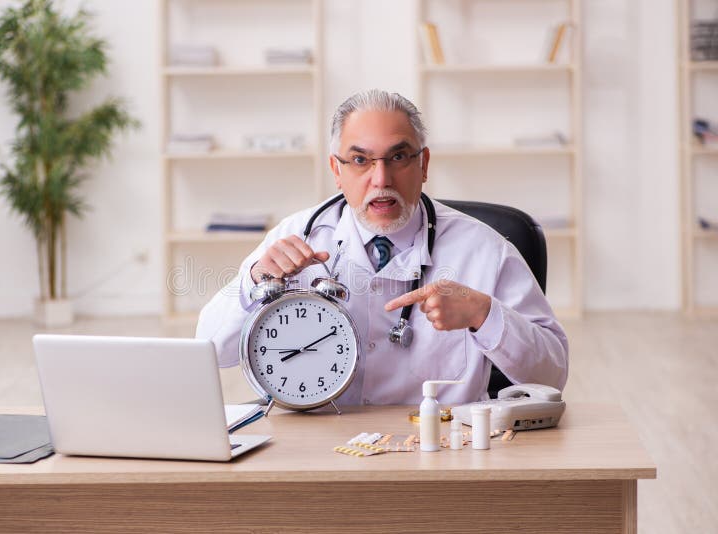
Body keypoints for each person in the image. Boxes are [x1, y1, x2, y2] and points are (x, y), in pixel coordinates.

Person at [196, 89, 568, 405]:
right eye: (360, 160)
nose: (381, 178)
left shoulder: (485, 250)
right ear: (336, 170)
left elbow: (552, 375)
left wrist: (484, 314)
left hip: (439, 451)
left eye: (398, 157)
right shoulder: (294, 235)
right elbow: (211, 351)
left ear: (423, 164)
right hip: (322, 452)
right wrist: (255, 278)